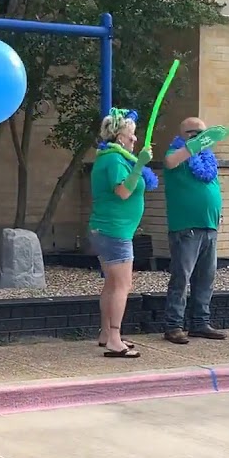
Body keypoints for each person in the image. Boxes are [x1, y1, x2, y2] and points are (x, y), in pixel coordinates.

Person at [88, 108, 156, 359]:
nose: (134, 140)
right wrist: (139, 165)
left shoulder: (110, 157)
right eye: (131, 135)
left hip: (108, 229)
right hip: (113, 231)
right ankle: (114, 339)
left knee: (112, 283)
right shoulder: (115, 160)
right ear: (119, 137)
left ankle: (107, 333)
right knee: (122, 285)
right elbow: (123, 191)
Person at [159, 117, 227, 344]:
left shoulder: (208, 158)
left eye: (203, 133)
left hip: (209, 226)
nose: (201, 137)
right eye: (195, 132)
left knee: (206, 277)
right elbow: (169, 162)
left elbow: (213, 188)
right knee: (181, 277)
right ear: (185, 134)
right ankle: (173, 325)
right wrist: (197, 143)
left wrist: (218, 212)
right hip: (185, 227)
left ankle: (200, 323)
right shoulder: (176, 152)